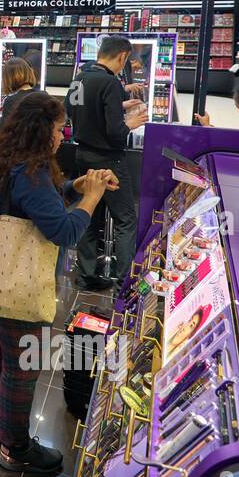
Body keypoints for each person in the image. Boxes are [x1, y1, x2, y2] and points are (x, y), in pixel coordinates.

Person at [0, 93, 116, 474]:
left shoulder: (12, 161)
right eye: (58, 129)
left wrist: (75, 186)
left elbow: (37, 203)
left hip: (1, 278)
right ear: (41, 130)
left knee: (0, 348)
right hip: (22, 285)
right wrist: (91, 199)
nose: (61, 135)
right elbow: (64, 230)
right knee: (23, 365)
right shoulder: (31, 173)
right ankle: (15, 448)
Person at [65, 34, 148, 290]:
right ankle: (125, 282)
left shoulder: (80, 77)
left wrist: (118, 105)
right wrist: (131, 123)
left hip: (82, 154)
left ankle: (87, 273)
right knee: (125, 219)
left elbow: (75, 110)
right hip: (108, 160)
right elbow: (115, 132)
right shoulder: (110, 82)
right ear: (123, 56)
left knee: (89, 211)